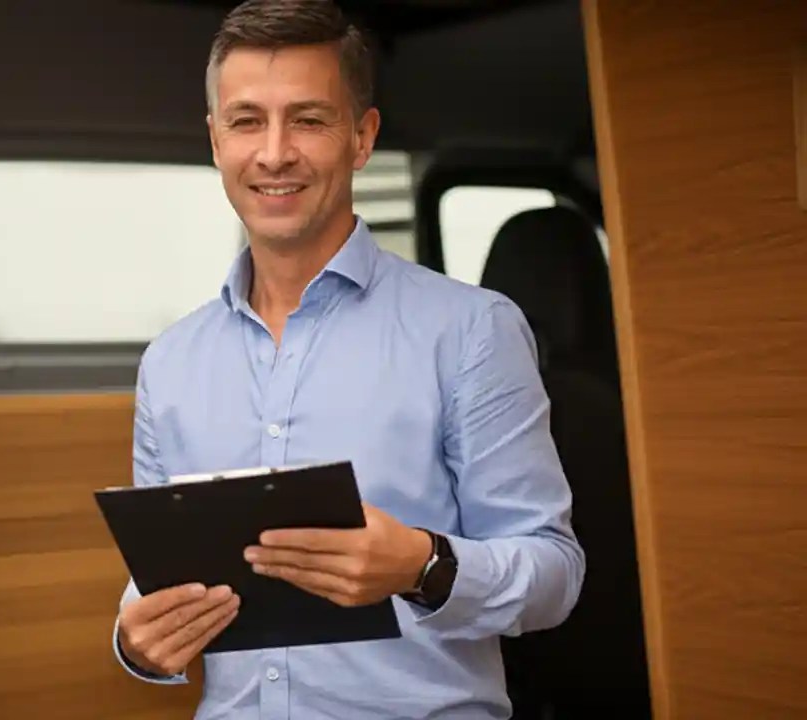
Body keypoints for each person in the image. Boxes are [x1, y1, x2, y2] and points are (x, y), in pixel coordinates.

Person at [110, 0, 585, 717]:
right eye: (246, 121)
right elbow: (154, 580)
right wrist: (137, 643)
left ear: (361, 138)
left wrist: (423, 565)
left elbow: (555, 574)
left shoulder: (472, 331)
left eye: (308, 119)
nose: (273, 153)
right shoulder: (170, 363)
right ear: (216, 141)